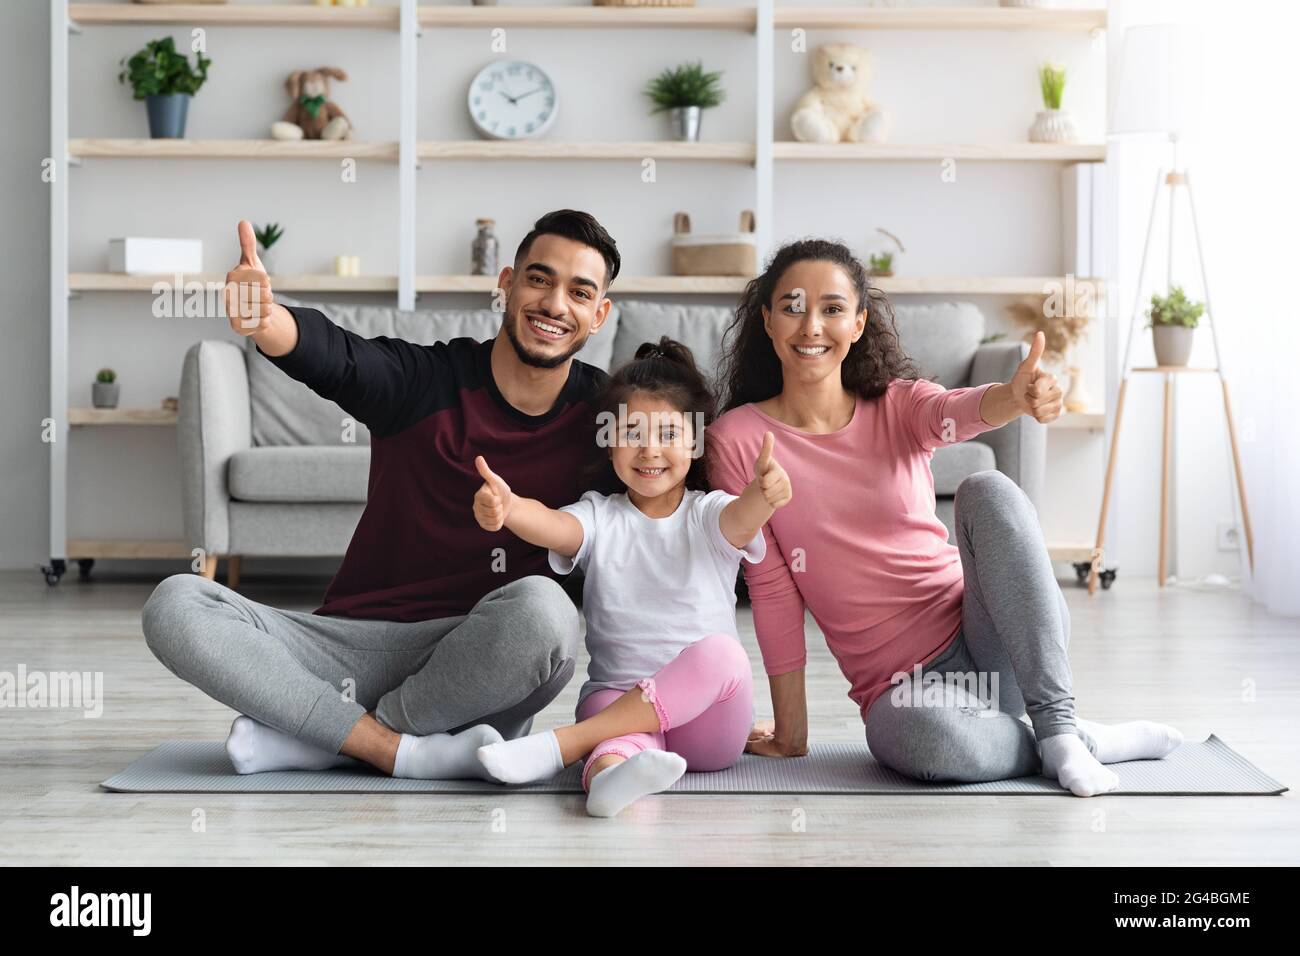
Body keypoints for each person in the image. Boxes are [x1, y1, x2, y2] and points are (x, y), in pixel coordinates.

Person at [141, 209, 621, 779]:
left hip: (482, 664)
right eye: (540, 279)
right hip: (347, 648)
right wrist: (267, 319)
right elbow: (338, 357)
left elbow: (675, 512)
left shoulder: (608, 418)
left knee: (547, 615)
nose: (555, 304)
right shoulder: (424, 380)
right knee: (177, 603)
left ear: (599, 315)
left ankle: (325, 735)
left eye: (579, 291)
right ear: (507, 284)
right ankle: (396, 748)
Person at [707, 239, 1183, 797]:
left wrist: (1013, 396)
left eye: (832, 309)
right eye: (792, 307)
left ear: (858, 323)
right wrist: (792, 732)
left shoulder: (898, 404)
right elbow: (772, 587)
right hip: (904, 691)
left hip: (998, 635)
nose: (811, 325)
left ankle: (1056, 726)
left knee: (989, 490)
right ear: (767, 320)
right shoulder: (736, 440)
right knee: (913, 742)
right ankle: (1077, 741)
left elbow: (957, 411)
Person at [471, 339, 791, 816]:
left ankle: (565, 744)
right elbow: (555, 526)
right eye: (632, 433)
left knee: (723, 655)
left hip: (707, 728)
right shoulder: (600, 516)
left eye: (667, 434)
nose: (649, 451)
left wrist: (764, 495)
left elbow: (742, 519)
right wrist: (510, 508)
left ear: (695, 442)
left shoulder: (708, 513)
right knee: (611, 734)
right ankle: (609, 781)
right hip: (617, 707)